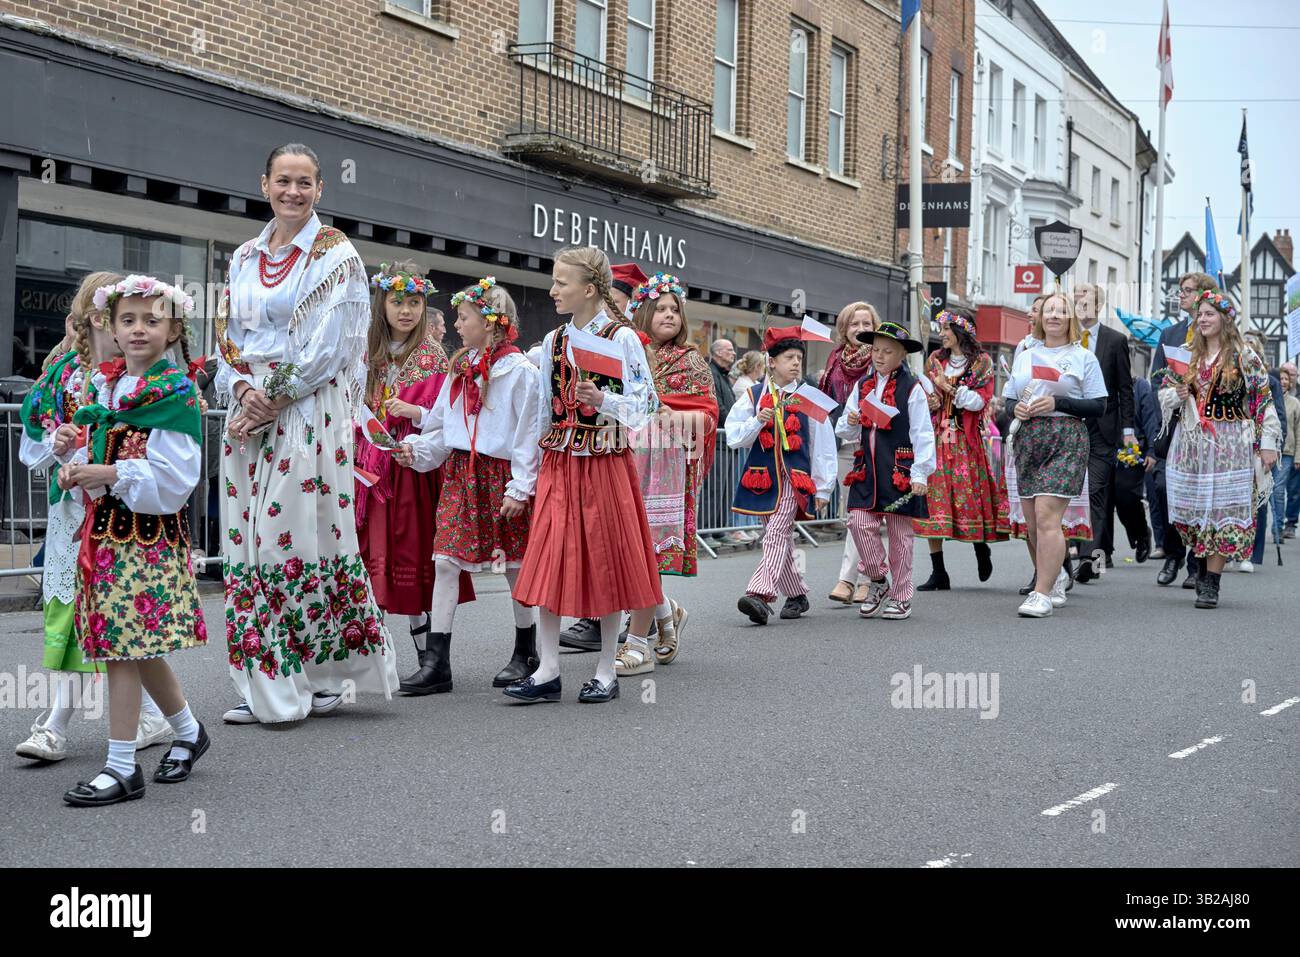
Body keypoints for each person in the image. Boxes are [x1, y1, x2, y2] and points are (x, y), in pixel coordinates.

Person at [216, 143, 398, 724]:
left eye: (304, 183)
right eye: (282, 181)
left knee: (288, 539)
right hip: (249, 410)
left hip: (306, 412)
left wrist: (272, 398)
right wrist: (244, 392)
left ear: (320, 189)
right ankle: (277, 680)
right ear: (264, 183)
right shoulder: (244, 255)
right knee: (246, 543)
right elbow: (225, 339)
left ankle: (301, 682)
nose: (293, 192)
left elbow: (333, 345)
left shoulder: (335, 253)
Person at [58, 275, 208, 806]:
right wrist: (73, 465)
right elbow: (94, 444)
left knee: (123, 650)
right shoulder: (108, 385)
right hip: (105, 538)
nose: (139, 329)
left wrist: (108, 473)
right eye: (128, 320)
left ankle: (122, 768)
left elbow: (173, 481)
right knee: (137, 649)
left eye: (151, 319)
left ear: (172, 330)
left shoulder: (175, 392)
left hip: (144, 540)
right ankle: (190, 732)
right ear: (113, 329)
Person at [14, 271, 173, 762]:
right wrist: (57, 444)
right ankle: (138, 720)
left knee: (120, 621)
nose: (126, 331)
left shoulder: (149, 380)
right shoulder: (63, 379)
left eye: (138, 320)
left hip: (125, 517)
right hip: (71, 518)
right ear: (85, 322)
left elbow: (165, 457)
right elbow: (32, 448)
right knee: (78, 616)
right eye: (113, 320)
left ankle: (84, 723)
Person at [508, 245, 661, 704]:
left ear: (589, 289)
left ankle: (605, 669)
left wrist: (606, 402)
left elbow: (648, 405)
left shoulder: (622, 338)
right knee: (553, 557)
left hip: (604, 461)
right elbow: (539, 414)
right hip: (559, 461)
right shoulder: (553, 342)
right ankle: (548, 670)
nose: (553, 290)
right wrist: (525, 478)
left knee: (606, 558)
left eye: (561, 282)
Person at [395, 276, 540, 690]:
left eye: (464, 317)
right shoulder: (460, 367)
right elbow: (442, 426)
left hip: (500, 474)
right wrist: (417, 451)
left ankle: (525, 650)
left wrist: (521, 486)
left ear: (490, 322)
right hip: (461, 473)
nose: (457, 325)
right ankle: (437, 663)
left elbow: (530, 432)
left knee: (514, 566)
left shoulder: (519, 372)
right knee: (444, 562)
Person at [354, 262, 465, 655]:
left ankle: (429, 652)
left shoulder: (434, 357)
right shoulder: (366, 352)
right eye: (397, 301)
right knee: (368, 554)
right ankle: (362, 651)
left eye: (414, 302)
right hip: (369, 466)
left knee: (410, 553)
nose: (405, 310)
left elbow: (444, 419)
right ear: (382, 304)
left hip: (412, 464)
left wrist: (413, 413)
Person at [614, 273, 718, 675]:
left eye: (675, 309)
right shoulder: (628, 352)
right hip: (626, 457)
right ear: (643, 312)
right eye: (661, 308)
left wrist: (676, 415)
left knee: (649, 547)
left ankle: (638, 640)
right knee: (630, 545)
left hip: (665, 466)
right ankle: (665, 611)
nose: (670, 315)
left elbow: (708, 417)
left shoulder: (690, 359)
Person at [1160, 291, 1280, 607]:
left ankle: (1212, 582)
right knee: (1198, 512)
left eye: (1210, 314)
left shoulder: (1244, 356)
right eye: (1200, 314)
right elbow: (1165, 396)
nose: (1203, 319)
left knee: (1222, 514)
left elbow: (1262, 400)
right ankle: (1199, 564)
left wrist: (1267, 444)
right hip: (1193, 444)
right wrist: (1178, 393)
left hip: (1231, 444)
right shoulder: (1187, 355)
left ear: (1225, 318)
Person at [1002, 291, 1107, 618]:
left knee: (1048, 516)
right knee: (1033, 523)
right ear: (1039, 318)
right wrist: (1014, 408)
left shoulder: (1083, 357)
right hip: (1029, 440)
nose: (1055, 316)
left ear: (1070, 318)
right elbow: (1007, 401)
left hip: (1066, 439)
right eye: (1049, 311)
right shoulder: (1025, 354)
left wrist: (1058, 403)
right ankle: (1055, 574)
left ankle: (1041, 593)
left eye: (1062, 311)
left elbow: (1099, 405)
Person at [728, 327, 836, 625]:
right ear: (771, 362)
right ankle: (797, 593)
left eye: (799, 357)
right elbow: (734, 436)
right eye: (789, 357)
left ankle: (759, 594)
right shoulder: (754, 395)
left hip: (794, 480)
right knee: (779, 538)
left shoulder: (808, 397)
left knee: (776, 533)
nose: (796, 363)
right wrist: (756, 422)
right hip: (762, 479)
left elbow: (823, 444)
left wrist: (824, 488)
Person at [836, 321, 935, 620]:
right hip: (867, 469)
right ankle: (879, 581)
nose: (878, 356)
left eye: (887, 351)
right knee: (857, 523)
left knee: (900, 535)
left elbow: (923, 432)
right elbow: (844, 430)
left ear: (902, 354)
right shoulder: (862, 385)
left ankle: (902, 596)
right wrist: (852, 420)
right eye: (876, 349)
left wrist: (920, 474)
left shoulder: (913, 387)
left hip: (899, 469)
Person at [913, 309, 1006, 589]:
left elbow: (979, 402)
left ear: (960, 331)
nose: (941, 334)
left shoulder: (981, 364)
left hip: (965, 439)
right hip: (939, 437)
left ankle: (980, 548)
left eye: (945, 329)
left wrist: (949, 390)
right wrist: (931, 399)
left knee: (969, 496)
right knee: (935, 499)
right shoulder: (935, 361)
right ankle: (938, 570)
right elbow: (930, 395)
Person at [1071, 282, 1139, 582]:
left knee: (1095, 491)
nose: (1078, 304)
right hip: (1070, 426)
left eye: (1084, 300)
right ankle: (1074, 552)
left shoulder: (1114, 341)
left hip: (1103, 428)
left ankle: (1089, 557)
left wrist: (1127, 429)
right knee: (1072, 491)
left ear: (1097, 305)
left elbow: (1125, 388)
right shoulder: (1067, 339)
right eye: (1075, 300)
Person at [818, 301, 880, 604]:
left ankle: (857, 579)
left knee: (868, 514)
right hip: (845, 441)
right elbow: (826, 401)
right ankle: (866, 576)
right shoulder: (834, 360)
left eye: (866, 324)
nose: (860, 330)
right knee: (853, 514)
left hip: (875, 440)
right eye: (854, 324)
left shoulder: (881, 357)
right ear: (844, 328)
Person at [1243, 333, 1287, 570]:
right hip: (1239, 442)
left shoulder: (1271, 382)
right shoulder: (1234, 375)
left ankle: (1252, 553)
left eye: (1251, 344)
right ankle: (1234, 547)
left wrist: (1273, 448)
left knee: (1258, 498)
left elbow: (1278, 416)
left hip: (1261, 444)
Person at [1279, 362, 1300, 539]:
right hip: (1276, 450)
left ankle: (1290, 523)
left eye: (1291, 376)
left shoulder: (1296, 401)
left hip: (1291, 451)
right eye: (1284, 377)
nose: (1287, 380)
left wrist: (1298, 456)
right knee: (1277, 491)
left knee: (1293, 490)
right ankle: (1278, 526)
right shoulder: (1273, 397)